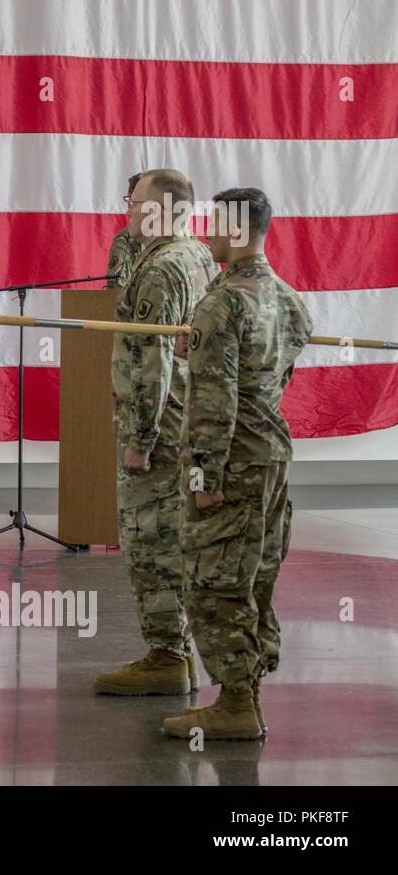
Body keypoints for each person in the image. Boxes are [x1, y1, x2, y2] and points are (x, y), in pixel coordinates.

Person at [164, 188, 312, 741]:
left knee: (215, 580)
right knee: (258, 577)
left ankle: (235, 704)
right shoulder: (289, 298)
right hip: (272, 453)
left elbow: (215, 396)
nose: (208, 231)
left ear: (238, 229)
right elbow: (273, 377)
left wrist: (203, 476)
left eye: (216, 224)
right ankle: (247, 694)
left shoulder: (220, 303)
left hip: (231, 461)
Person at [95, 168, 219, 695]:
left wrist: (138, 442)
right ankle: (178, 654)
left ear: (160, 208)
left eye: (135, 200)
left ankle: (166, 656)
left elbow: (153, 362)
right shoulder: (196, 254)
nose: (128, 207)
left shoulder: (162, 271)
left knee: (149, 542)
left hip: (161, 429)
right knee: (174, 536)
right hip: (187, 421)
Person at [106, 172, 144, 288]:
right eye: (130, 201)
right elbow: (115, 290)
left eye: (134, 201)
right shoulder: (126, 239)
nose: (129, 207)